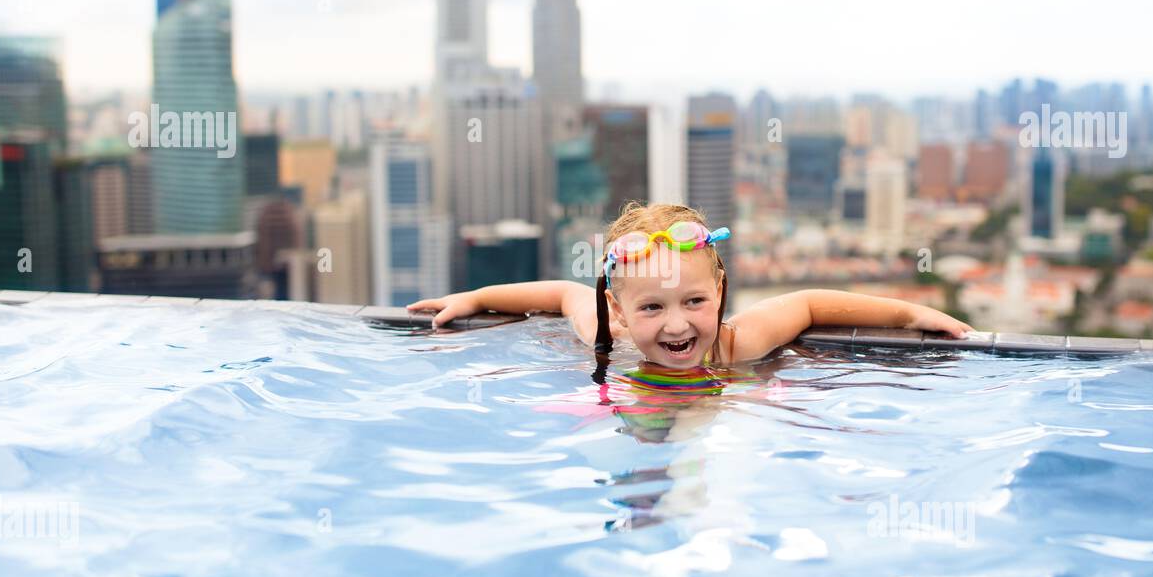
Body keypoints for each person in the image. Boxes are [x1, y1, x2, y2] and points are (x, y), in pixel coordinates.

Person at [407, 201, 973, 369]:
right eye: (652, 306)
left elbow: (806, 302)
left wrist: (905, 316)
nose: (678, 324)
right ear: (619, 310)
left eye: (695, 301)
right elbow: (560, 293)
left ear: (720, 294)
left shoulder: (736, 344)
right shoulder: (608, 338)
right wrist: (476, 299)